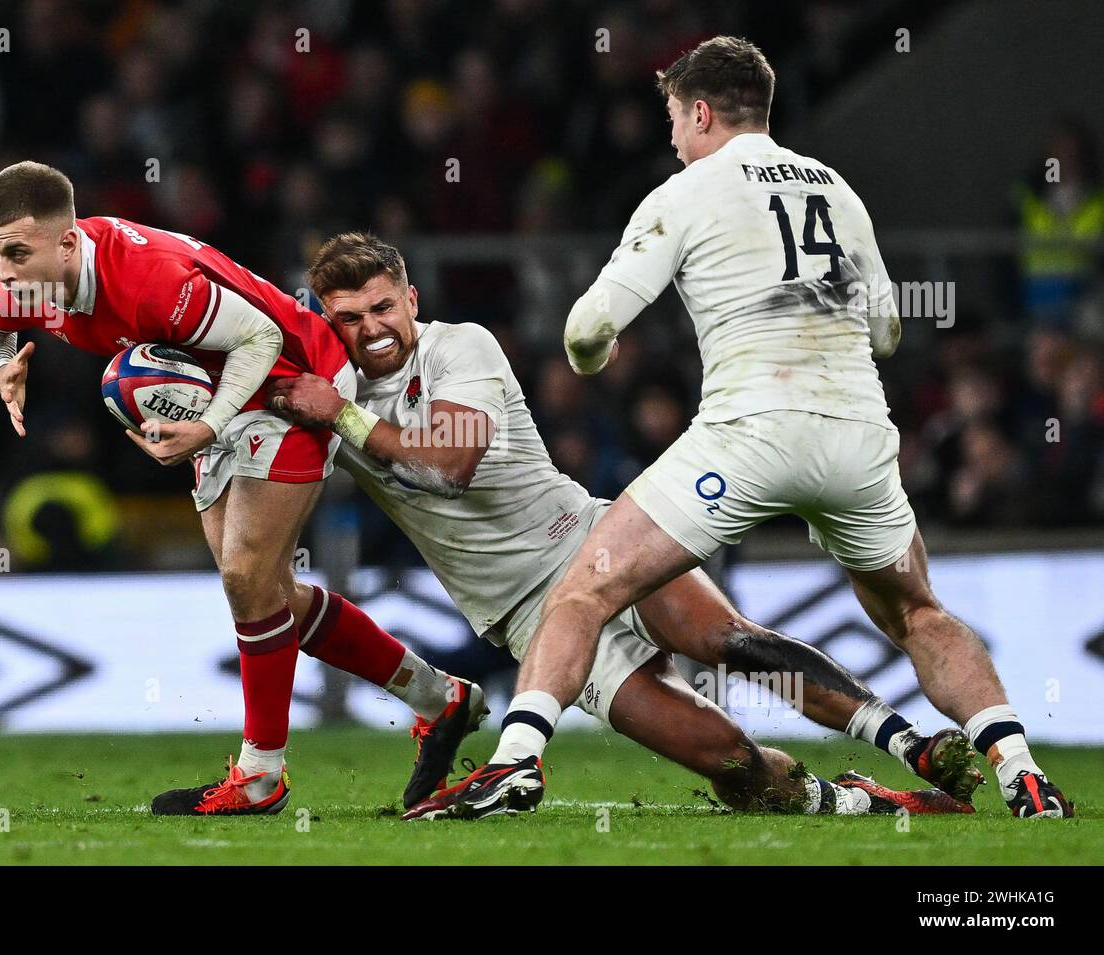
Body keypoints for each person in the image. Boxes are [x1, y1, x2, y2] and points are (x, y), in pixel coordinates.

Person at [425, 37, 1073, 820]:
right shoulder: (837, 189)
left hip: (750, 434)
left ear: (700, 112)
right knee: (919, 613)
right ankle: (1023, 775)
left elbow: (587, 327)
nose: (672, 137)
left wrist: (594, 359)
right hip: (858, 437)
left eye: (674, 117)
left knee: (585, 587)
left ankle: (514, 764)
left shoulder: (686, 192)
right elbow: (889, 332)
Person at [270, 231, 977, 819]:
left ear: (411, 300)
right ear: (327, 323)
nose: (371, 328)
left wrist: (343, 418)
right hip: (525, 617)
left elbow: (449, 464)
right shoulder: (329, 391)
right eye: (349, 318)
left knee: (727, 641)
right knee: (728, 759)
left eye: (382, 307)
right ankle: (867, 802)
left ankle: (911, 744)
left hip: (591, 545)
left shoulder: (458, 348)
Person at [0, 162, 483, 816]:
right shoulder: (25, 282)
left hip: (293, 377)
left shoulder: (148, 280)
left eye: (15, 254)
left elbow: (261, 336)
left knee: (245, 575)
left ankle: (261, 775)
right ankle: (441, 699)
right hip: (220, 392)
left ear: (67, 243)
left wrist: (207, 427)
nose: (2, 273)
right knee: (268, 593)